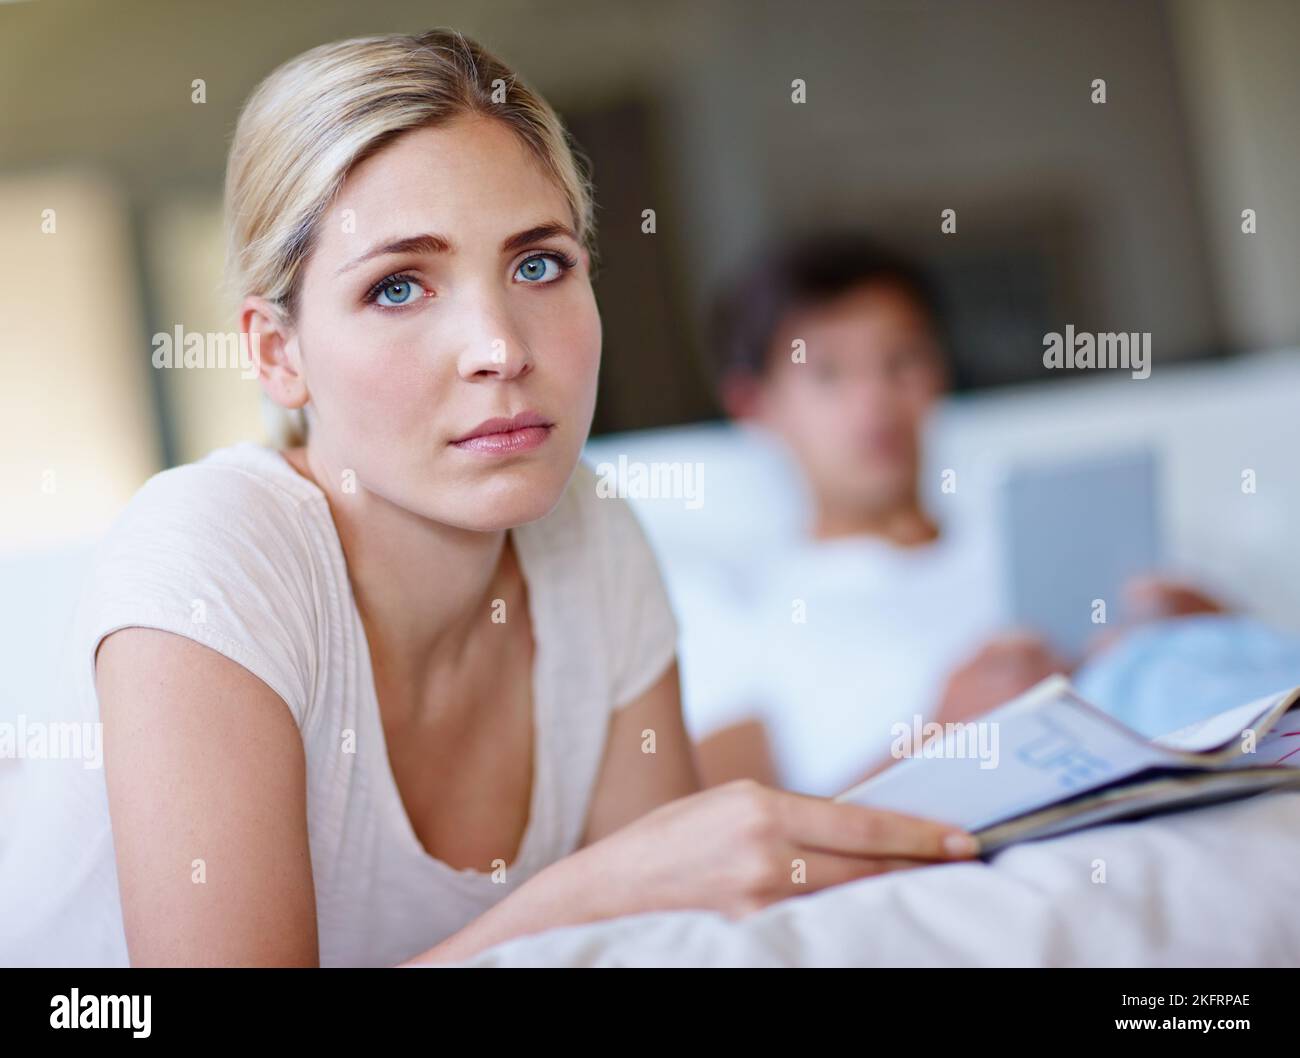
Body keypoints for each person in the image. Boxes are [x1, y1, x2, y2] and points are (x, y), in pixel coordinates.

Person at [0, 31, 982, 970]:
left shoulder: (593, 536)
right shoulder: (213, 552)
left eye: (537, 264)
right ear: (276, 351)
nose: (501, 346)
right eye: (397, 287)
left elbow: (671, 937)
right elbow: (623, 899)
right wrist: (583, 895)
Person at [690, 231, 1221, 795]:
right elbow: (738, 839)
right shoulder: (739, 610)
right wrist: (945, 739)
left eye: (903, 360)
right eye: (829, 373)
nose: (876, 402)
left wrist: (1205, 629)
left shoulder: (1053, 544)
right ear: (753, 406)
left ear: (940, 371)